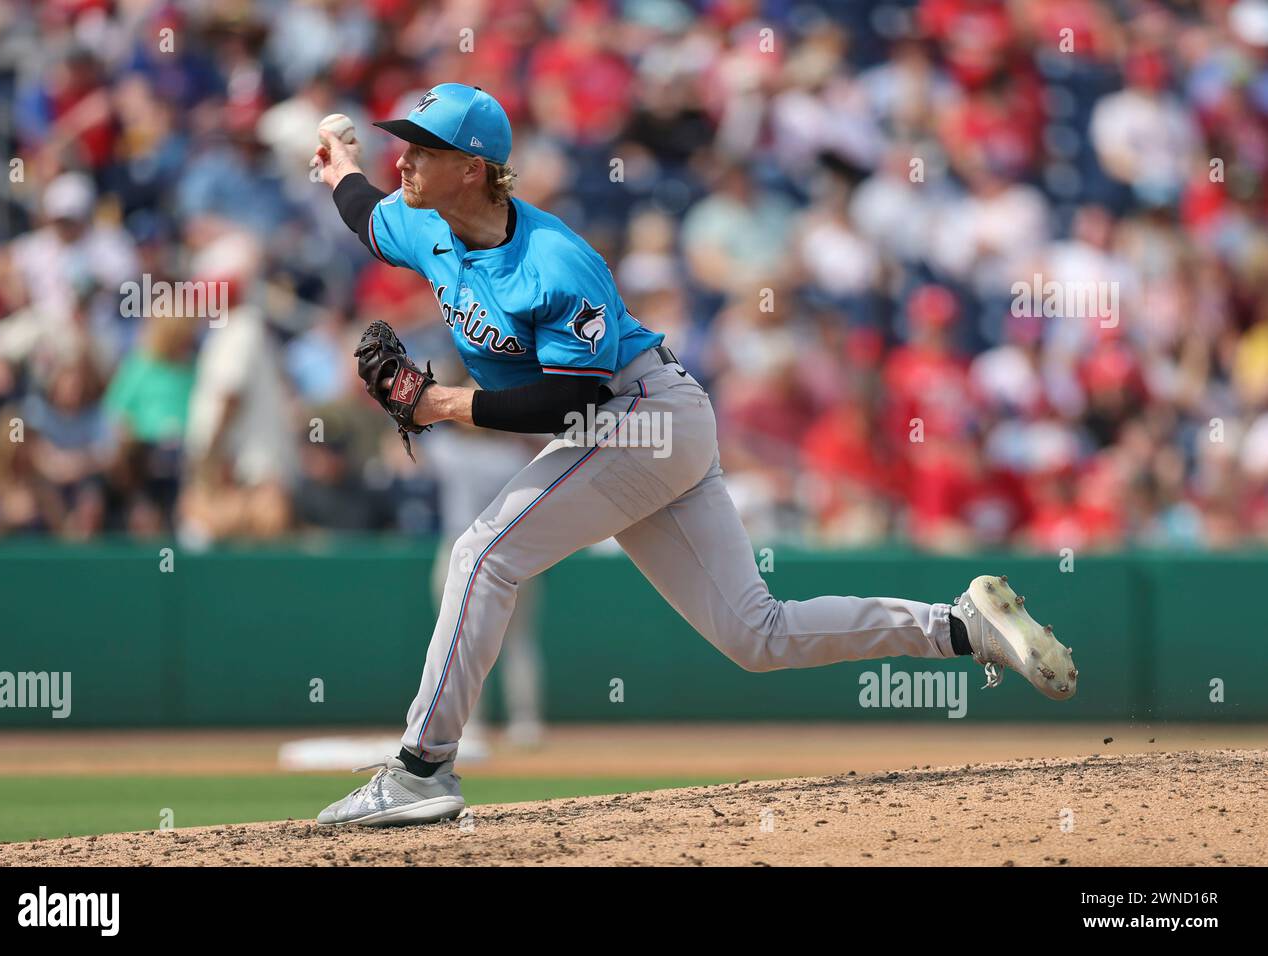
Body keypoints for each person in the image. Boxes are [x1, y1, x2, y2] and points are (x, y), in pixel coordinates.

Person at [312, 84, 1079, 828]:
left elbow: (568, 402)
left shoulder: (553, 259)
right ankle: (960, 626)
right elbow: (362, 217)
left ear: (472, 168)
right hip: (633, 430)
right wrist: (341, 165)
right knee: (757, 635)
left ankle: (420, 770)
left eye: (421, 147)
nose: (403, 160)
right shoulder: (427, 221)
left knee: (481, 556)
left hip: (640, 416)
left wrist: (439, 404)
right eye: (400, 147)